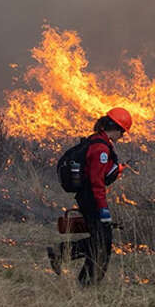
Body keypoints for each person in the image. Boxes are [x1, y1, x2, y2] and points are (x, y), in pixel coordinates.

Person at [47, 108, 131, 285]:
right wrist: (102, 209)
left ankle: (83, 278)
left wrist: (117, 169)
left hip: (88, 197)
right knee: (103, 243)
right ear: (115, 128)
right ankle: (74, 268)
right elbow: (96, 182)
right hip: (92, 199)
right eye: (122, 132)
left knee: (99, 241)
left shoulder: (96, 141)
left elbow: (98, 173)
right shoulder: (101, 148)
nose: (122, 136)